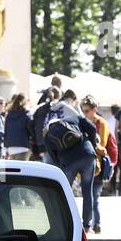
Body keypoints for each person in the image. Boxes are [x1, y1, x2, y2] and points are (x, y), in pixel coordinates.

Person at [43, 96, 99, 231]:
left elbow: (53, 156)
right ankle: (87, 225)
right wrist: (91, 144)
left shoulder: (48, 135)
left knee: (65, 193)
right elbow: (91, 128)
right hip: (87, 155)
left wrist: (62, 163)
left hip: (68, 162)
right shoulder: (73, 119)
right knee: (87, 191)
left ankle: (67, 224)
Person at [80, 97, 114, 233]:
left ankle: (96, 223)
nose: (84, 113)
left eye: (87, 110)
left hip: (97, 164)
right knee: (88, 196)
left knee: (94, 196)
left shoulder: (101, 123)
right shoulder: (83, 121)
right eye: (83, 110)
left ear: (94, 109)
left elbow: (102, 143)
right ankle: (90, 223)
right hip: (85, 164)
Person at [3, 93, 32, 160]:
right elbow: (31, 130)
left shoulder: (9, 115)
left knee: (14, 169)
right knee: (23, 169)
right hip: (23, 145)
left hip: (10, 147)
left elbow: (6, 130)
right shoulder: (27, 114)